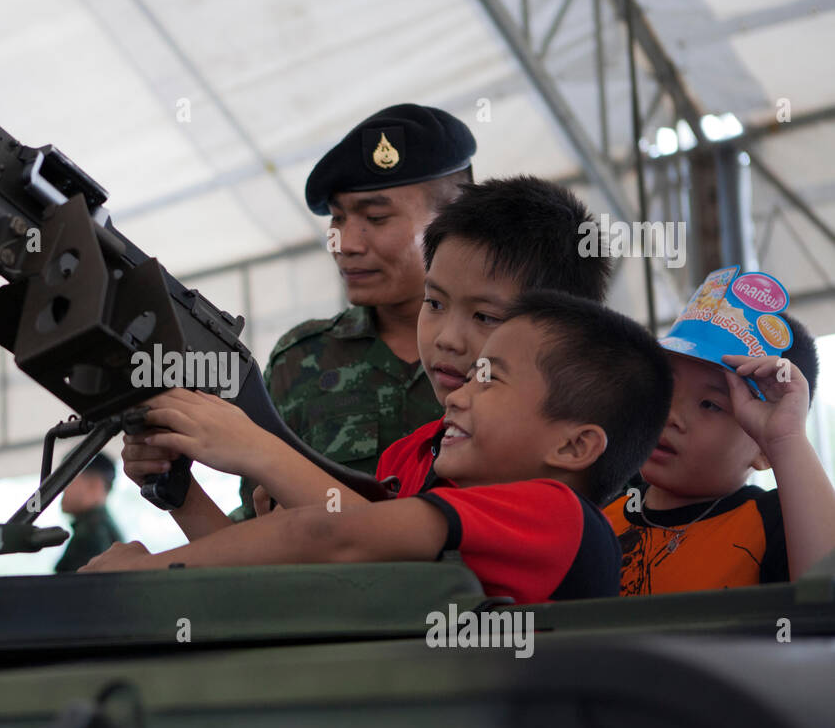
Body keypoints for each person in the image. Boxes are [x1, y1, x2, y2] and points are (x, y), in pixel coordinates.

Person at [82, 292, 673, 605]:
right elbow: (278, 594)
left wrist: (150, 574)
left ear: (575, 446)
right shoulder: (439, 510)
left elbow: (332, 535)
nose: (460, 396)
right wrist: (182, 494)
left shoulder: (558, 515)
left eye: (491, 378)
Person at [122, 176, 613, 540]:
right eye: (434, 303)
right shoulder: (415, 454)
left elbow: (368, 550)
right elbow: (284, 588)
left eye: (485, 316)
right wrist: (179, 492)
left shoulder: (559, 492)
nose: (447, 339)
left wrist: (261, 452)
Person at [227, 103, 477, 519]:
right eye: (338, 219)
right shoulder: (301, 361)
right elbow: (259, 526)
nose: (345, 243)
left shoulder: (515, 349)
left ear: (454, 216)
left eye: (376, 218)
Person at [604, 318, 835, 592]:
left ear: (764, 452)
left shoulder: (776, 525)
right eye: (666, 388)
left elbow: (824, 593)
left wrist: (785, 439)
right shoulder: (601, 511)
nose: (671, 415)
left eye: (710, 405)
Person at [53, 453, 123, 574]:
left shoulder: (92, 532)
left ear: (94, 485)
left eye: (67, 480)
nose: (61, 489)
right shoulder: (102, 529)